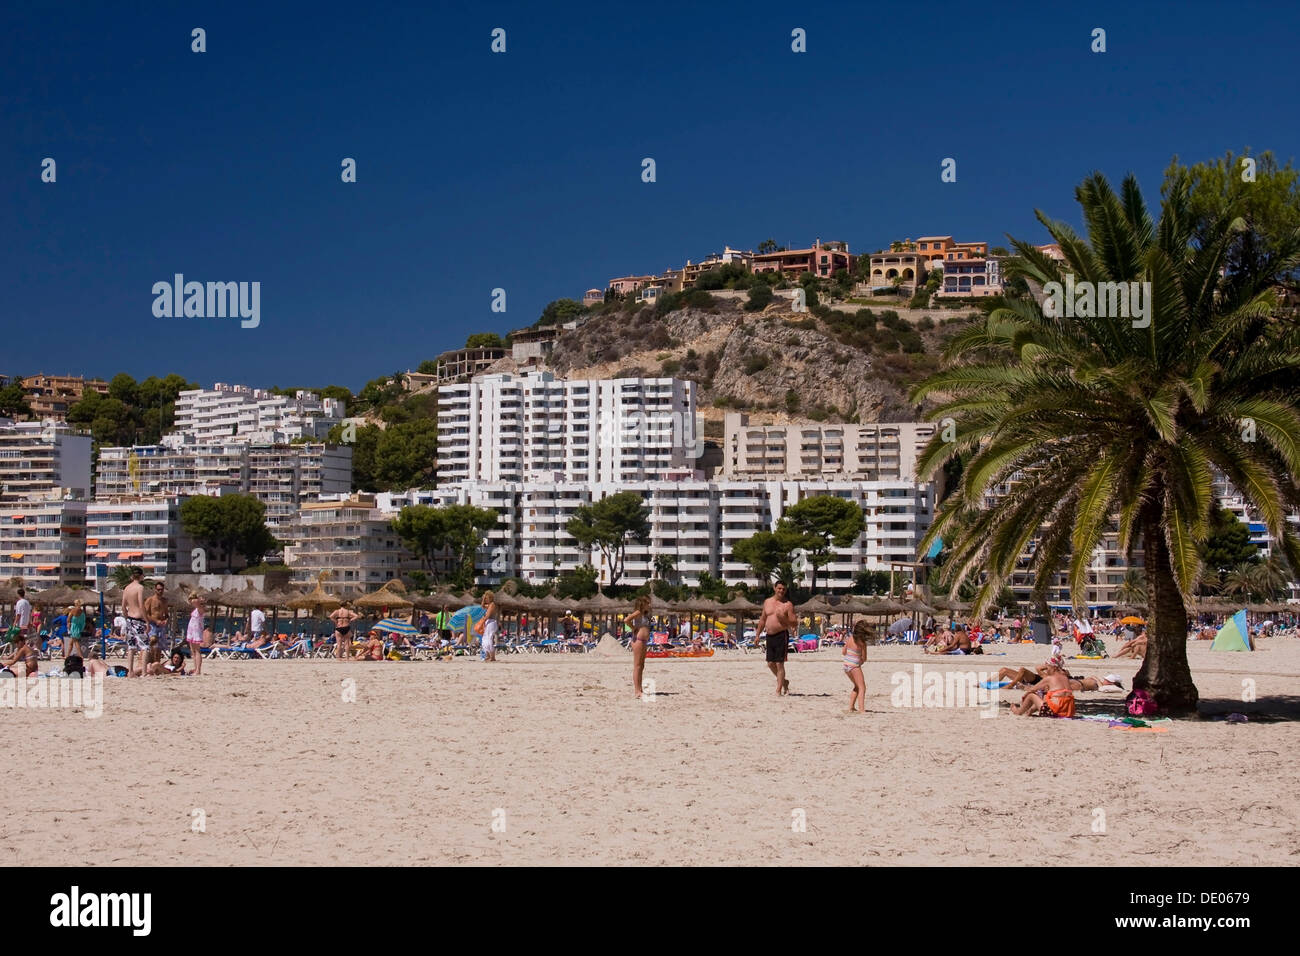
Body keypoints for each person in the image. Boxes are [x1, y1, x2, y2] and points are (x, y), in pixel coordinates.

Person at [758, 581, 797, 697]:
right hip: (769, 636)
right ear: (774, 588)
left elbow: (794, 623)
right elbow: (762, 620)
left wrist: (784, 619)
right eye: (779, 588)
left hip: (781, 635)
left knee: (780, 664)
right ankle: (784, 682)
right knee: (770, 664)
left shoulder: (788, 605)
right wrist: (757, 635)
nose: (781, 591)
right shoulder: (767, 602)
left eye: (783, 589)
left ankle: (778, 690)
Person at [1011, 659, 1076, 716]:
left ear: (1053, 668)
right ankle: (1029, 711)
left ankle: (1018, 712)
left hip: (1054, 712)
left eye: (1047, 668)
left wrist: (1024, 695)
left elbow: (1032, 690)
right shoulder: (1065, 678)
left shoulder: (1049, 679)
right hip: (1069, 712)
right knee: (1046, 696)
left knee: (1031, 696)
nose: (1046, 671)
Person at [122, 568, 149, 677]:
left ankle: (130, 671)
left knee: (131, 646)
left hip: (129, 619)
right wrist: (146, 620)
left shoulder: (127, 588)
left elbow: (123, 606)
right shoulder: (140, 588)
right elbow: (141, 604)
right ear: (141, 576)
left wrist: (126, 617)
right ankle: (143, 672)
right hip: (138, 619)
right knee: (145, 646)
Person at [626, 595, 652, 699]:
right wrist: (633, 628)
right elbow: (626, 620)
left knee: (641, 666)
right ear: (643, 604)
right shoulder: (638, 612)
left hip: (643, 640)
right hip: (638, 640)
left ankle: (640, 689)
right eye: (647, 603)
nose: (649, 605)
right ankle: (637, 691)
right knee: (637, 666)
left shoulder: (645, 614)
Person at [844, 621, 871, 713]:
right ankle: (862, 709)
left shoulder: (849, 639)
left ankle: (851, 707)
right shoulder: (862, 643)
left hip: (846, 665)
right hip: (854, 665)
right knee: (862, 687)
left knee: (856, 686)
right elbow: (864, 658)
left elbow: (843, 652)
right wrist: (860, 661)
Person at [144, 580, 170, 654]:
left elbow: (167, 614)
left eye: (161, 589)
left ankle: (157, 661)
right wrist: (155, 621)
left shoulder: (164, 601)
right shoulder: (150, 600)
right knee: (152, 643)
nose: (160, 591)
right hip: (152, 625)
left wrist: (166, 620)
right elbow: (145, 614)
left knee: (160, 646)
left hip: (161, 625)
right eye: (158, 589)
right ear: (155, 590)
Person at [185, 594, 206, 676]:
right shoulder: (196, 609)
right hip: (192, 631)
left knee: (197, 651)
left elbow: (197, 604)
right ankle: (195, 668)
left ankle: (198, 670)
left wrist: (198, 600)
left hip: (196, 631)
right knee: (193, 651)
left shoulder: (200, 609)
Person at [479, 591, 500, 662]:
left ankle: (492, 657)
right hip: (489, 622)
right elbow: (482, 606)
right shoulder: (489, 605)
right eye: (485, 598)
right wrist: (483, 599)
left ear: (490, 598)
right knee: (485, 639)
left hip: (491, 622)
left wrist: (481, 622)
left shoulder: (492, 604)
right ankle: (488, 656)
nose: (486, 600)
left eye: (487, 598)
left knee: (488, 639)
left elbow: (487, 616)